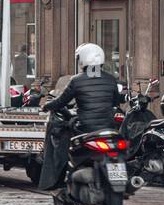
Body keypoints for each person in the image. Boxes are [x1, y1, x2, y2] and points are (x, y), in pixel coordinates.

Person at [37, 43, 125, 191]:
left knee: (63, 142)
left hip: (85, 127)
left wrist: (47, 106)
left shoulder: (77, 80)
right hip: (108, 127)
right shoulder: (110, 79)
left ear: (82, 60)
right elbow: (116, 101)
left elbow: (61, 101)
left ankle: (60, 177)